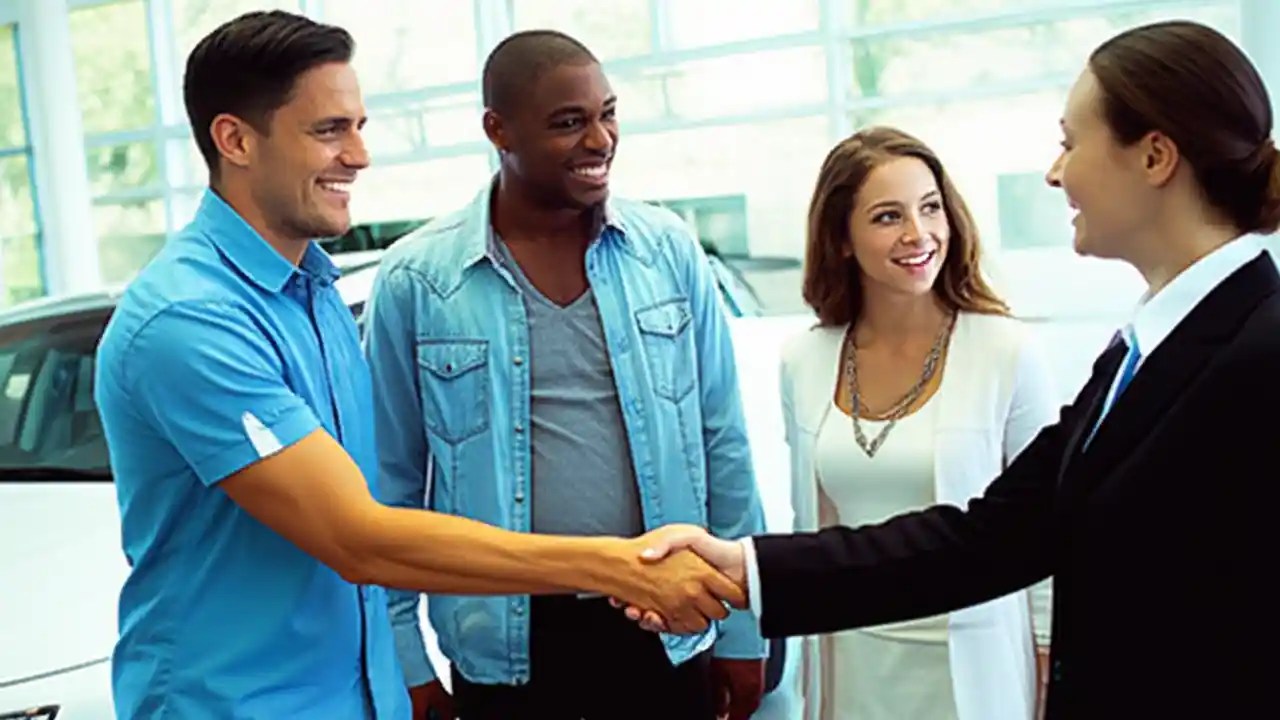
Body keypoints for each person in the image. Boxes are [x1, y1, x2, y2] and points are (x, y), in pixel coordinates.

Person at [625, 19, 1280, 720]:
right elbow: (990, 538)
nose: (1056, 172)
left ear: (1154, 157)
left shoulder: (1260, 355)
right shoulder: (1138, 352)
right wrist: (746, 568)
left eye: (1069, 142)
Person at [94, 12, 741, 720]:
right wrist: (620, 566)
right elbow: (360, 535)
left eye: (359, 125)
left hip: (355, 699)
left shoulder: (314, 296)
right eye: (329, 130)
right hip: (234, 704)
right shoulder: (189, 320)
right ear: (235, 139)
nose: (360, 155)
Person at [364, 29, 768, 720]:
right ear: (499, 130)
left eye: (607, 114)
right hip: (504, 645)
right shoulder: (418, 280)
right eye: (568, 123)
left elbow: (721, 441)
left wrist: (743, 627)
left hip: (666, 621)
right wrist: (402, 653)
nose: (600, 140)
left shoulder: (666, 251)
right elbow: (388, 487)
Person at [775, 126, 1057, 720]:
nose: (918, 234)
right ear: (841, 239)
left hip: (973, 672)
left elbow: (1047, 532)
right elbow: (810, 530)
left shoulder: (1005, 349)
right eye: (887, 216)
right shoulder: (805, 360)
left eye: (930, 208)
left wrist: (1046, 671)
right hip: (853, 666)